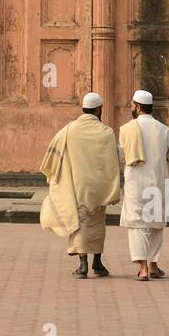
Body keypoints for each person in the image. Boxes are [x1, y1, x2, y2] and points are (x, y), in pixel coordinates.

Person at [40, 92, 122, 279]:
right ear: (99, 109)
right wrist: (111, 186)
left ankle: (83, 264)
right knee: (97, 224)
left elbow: (52, 155)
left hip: (76, 185)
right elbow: (113, 160)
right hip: (99, 186)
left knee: (80, 224)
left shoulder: (69, 130)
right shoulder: (106, 132)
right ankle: (97, 262)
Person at [120, 89, 169, 282]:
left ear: (138, 107)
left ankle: (143, 268)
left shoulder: (126, 129)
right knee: (155, 224)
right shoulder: (163, 129)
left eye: (132, 105)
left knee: (137, 224)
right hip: (157, 182)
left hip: (135, 184)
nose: (131, 107)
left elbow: (121, 156)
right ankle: (154, 264)